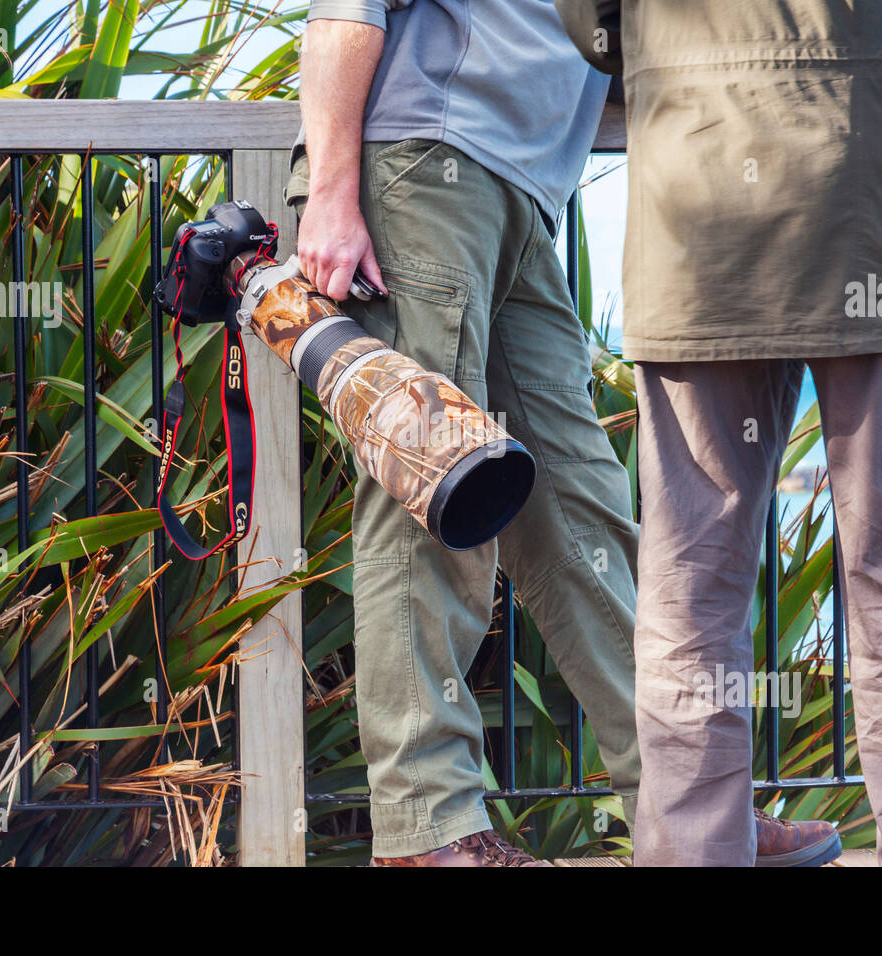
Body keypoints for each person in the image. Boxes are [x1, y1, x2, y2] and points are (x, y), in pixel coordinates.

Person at [292, 0, 839, 866]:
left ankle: (689, 810)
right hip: (422, 165)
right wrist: (330, 190)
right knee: (430, 489)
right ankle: (428, 831)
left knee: (581, 502)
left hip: (519, 198)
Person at [568, 0, 882, 865]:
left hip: (693, 213)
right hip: (868, 206)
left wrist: (680, 55)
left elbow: (587, 22)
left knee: (689, 585)